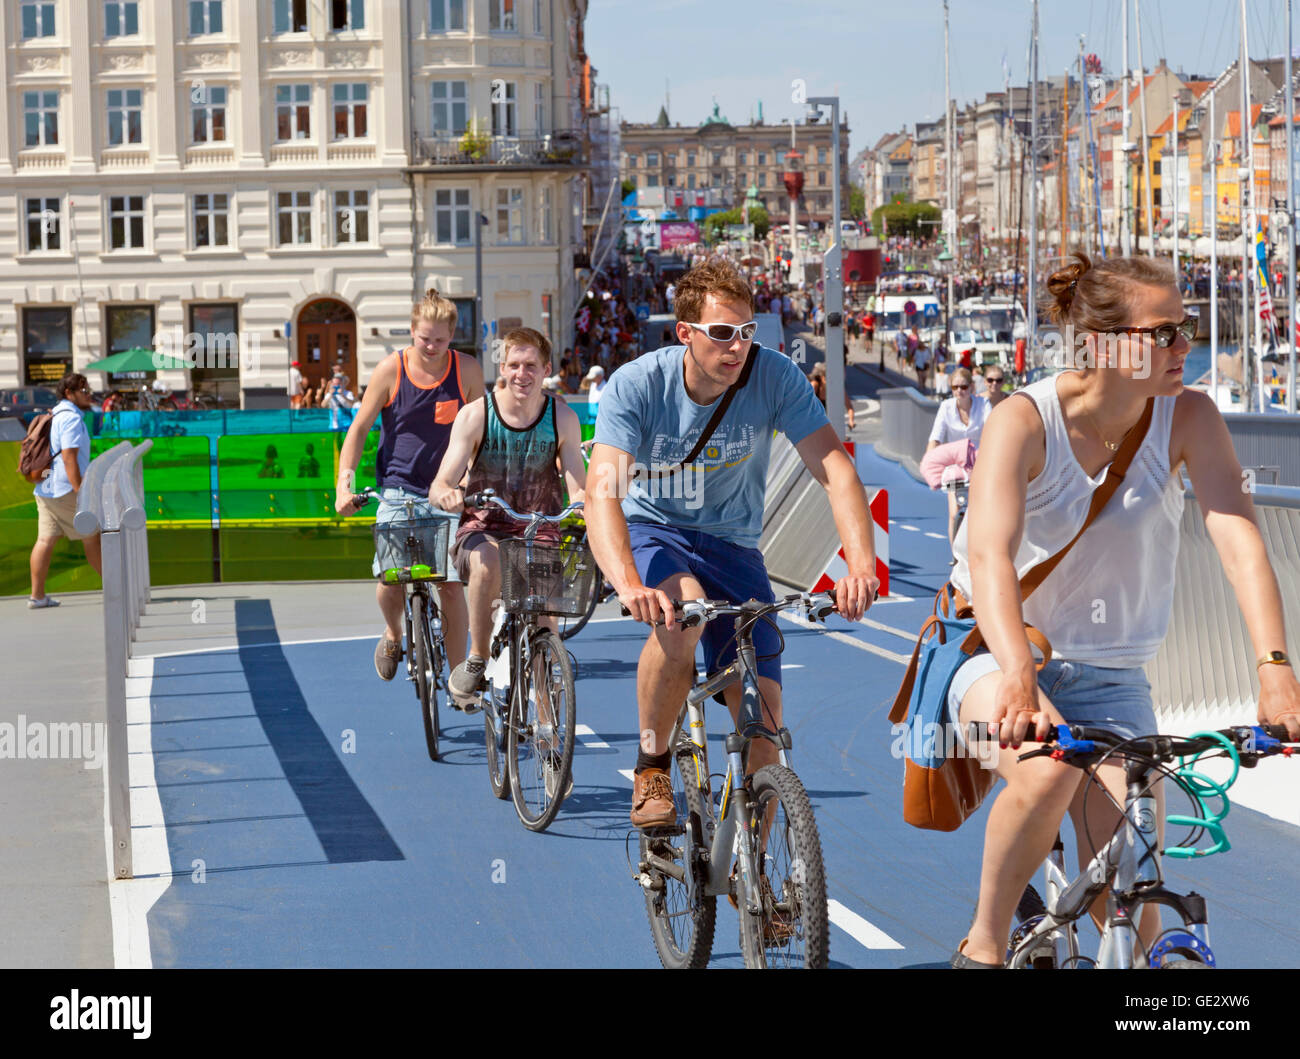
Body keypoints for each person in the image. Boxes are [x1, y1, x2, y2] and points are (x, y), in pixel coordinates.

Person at [945, 253, 1300, 969]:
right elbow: (988, 555)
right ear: (1103, 344)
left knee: (1132, 879)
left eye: (1187, 326)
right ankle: (982, 946)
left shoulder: (1189, 416)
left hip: (1115, 678)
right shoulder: (1024, 419)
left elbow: (1239, 542)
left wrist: (1275, 670)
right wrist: (1019, 674)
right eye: (1163, 331)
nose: (1185, 347)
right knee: (1045, 773)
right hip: (997, 652)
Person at [583, 257, 878, 831]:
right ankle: (652, 765)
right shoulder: (639, 384)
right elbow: (603, 492)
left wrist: (860, 568)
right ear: (686, 333)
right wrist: (628, 584)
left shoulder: (775, 376)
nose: (737, 347)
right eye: (722, 334)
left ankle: (759, 883)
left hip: (734, 545)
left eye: (747, 333)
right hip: (655, 528)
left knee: (765, 726)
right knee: (684, 615)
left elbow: (836, 470)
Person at [335, 287, 485, 683]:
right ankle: (393, 632)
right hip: (397, 487)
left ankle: (458, 679)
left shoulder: (466, 370)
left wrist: (473, 479)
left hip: (448, 490)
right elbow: (359, 429)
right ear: (412, 332)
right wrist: (343, 487)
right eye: (424, 338)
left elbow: (481, 433)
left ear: (452, 336)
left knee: (451, 584)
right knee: (391, 578)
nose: (432, 346)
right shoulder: (391, 370)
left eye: (440, 339)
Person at [431, 328, 587, 705]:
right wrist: (449, 494)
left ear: (546, 369)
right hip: (484, 527)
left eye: (531, 365)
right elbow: (440, 482)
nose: (522, 374)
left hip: (539, 529)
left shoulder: (562, 418)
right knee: (488, 561)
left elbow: (578, 488)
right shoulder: (476, 415)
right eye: (514, 365)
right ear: (502, 368)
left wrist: (589, 506)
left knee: (546, 622)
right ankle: (477, 657)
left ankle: (549, 727)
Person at [28, 373, 103, 609]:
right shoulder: (70, 418)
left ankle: (37, 596)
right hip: (65, 490)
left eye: (88, 390)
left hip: (46, 488)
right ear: (69, 393)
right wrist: (81, 490)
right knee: (92, 538)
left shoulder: (54, 414)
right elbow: (69, 458)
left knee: (45, 540)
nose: (88, 394)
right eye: (83, 391)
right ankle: (117, 590)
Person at [926, 366, 989, 544]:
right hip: (956, 467)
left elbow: (992, 431)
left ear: (972, 388)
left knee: (981, 512)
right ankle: (955, 558)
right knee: (955, 513)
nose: (959, 391)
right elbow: (935, 438)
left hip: (981, 463)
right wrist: (929, 464)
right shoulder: (946, 407)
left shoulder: (983, 405)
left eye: (963, 387)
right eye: (955, 387)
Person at [808, 362, 855, 434]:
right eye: (828, 379)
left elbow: (849, 407)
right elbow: (807, 405)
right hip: (813, 423)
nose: (831, 383)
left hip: (828, 423)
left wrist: (851, 420)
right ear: (822, 377)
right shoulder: (815, 385)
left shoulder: (837, 388)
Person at [324, 367, 355, 431]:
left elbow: (352, 405)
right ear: (332, 384)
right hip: (334, 425)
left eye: (338, 384)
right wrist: (330, 395)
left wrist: (343, 396)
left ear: (342, 384)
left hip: (347, 425)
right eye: (335, 384)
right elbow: (323, 405)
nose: (336, 386)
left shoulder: (348, 393)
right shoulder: (329, 394)